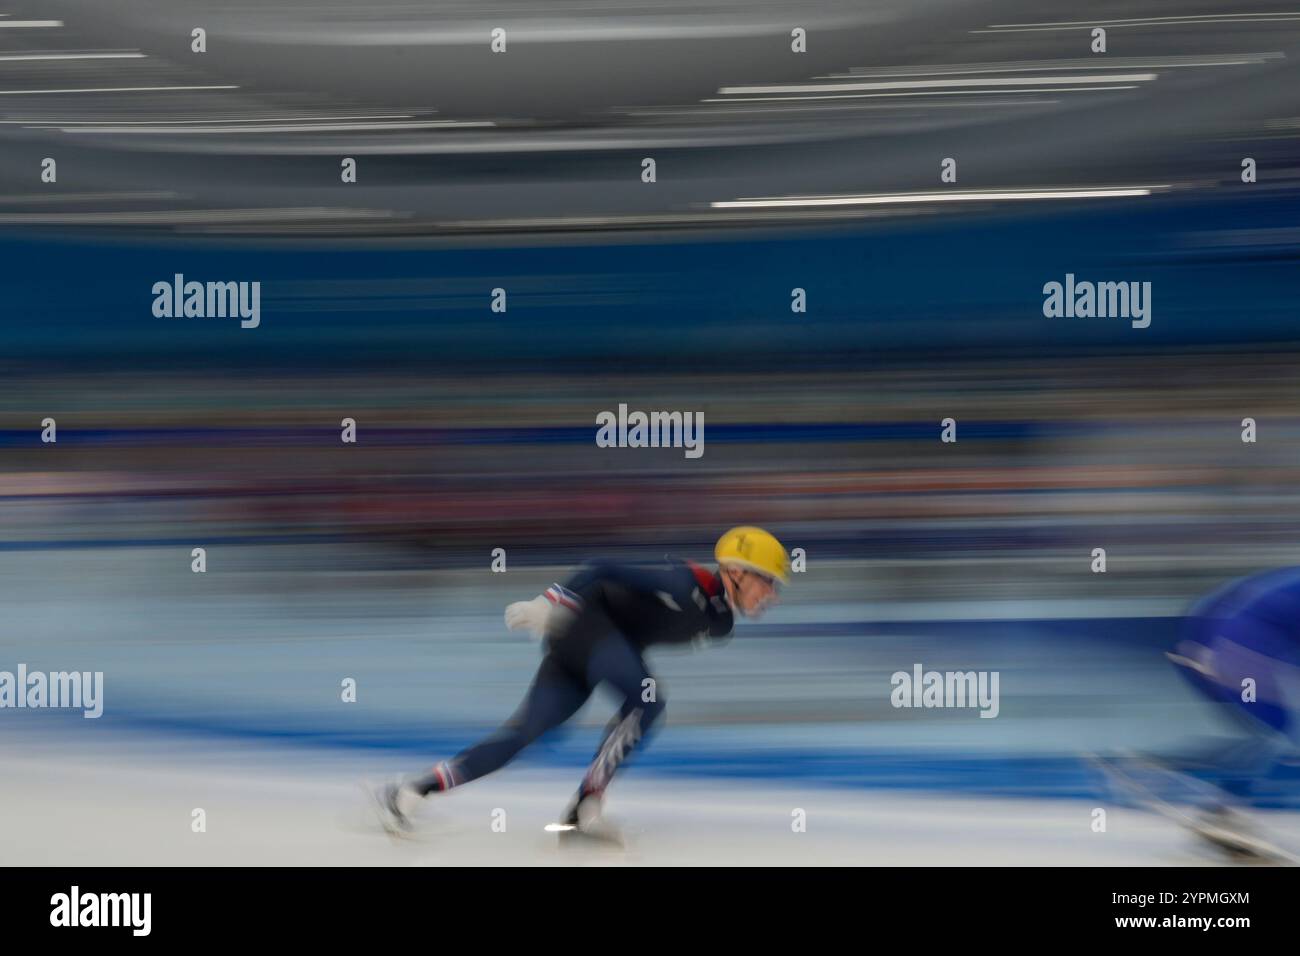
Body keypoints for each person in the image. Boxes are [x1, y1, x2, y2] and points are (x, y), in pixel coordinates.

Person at [373, 526, 789, 837]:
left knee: (524, 734)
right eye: (766, 581)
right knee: (648, 702)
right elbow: (602, 568)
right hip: (584, 624)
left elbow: (638, 627)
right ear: (734, 571)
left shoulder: (720, 624)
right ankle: (587, 804)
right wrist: (553, 602)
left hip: (593, 648)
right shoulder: (686, 583)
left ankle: (409, 791)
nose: (770, 594)